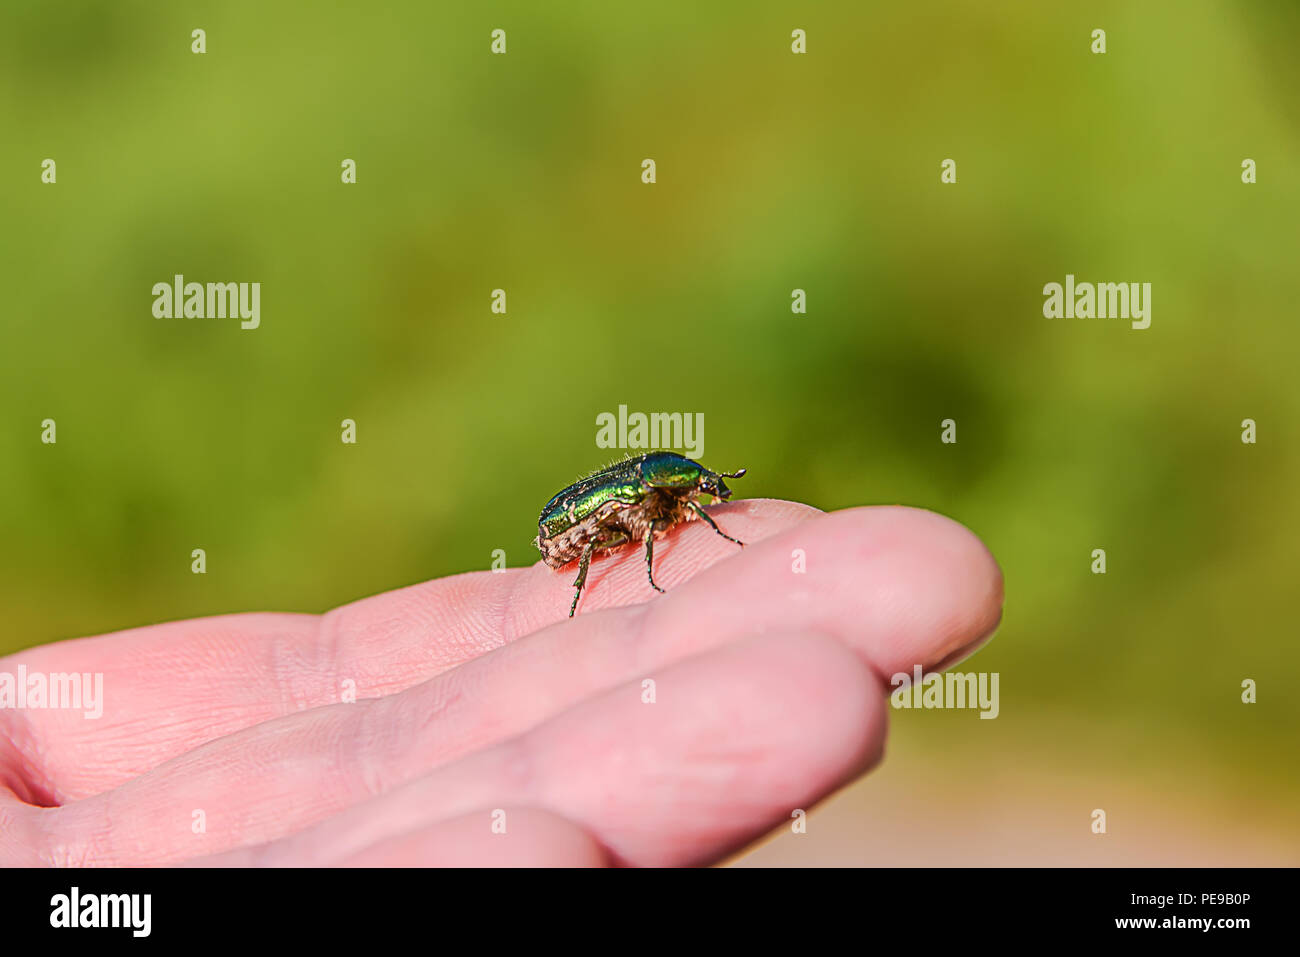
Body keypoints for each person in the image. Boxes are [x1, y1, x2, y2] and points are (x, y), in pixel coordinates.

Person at [0, 501, 1002, 866]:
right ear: (672, 495)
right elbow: (616, 532)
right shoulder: (639, 510)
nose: (702, 507)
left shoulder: (662, 497)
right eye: (694, 499)